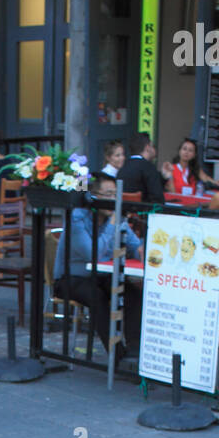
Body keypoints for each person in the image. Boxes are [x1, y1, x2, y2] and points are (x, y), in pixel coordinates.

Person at [53, 174, 143, 363]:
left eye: (115, 195)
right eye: (108, 195)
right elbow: (92, 254)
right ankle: (118, 356)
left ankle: (134, 352)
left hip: (100, 275)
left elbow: (136, 246)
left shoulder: (115, 216)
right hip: (71, 278)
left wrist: (145, 252)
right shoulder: (78, 218)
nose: (113, 200)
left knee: (132, 291)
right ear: (92, 196)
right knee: (97, 297)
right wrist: (112, 225)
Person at [118, 131, 166, 205]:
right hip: (142, 213)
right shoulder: (148, 167)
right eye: (152, 146)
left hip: (123, 212)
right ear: (147, 147)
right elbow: (158, 199)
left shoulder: (122, 166)